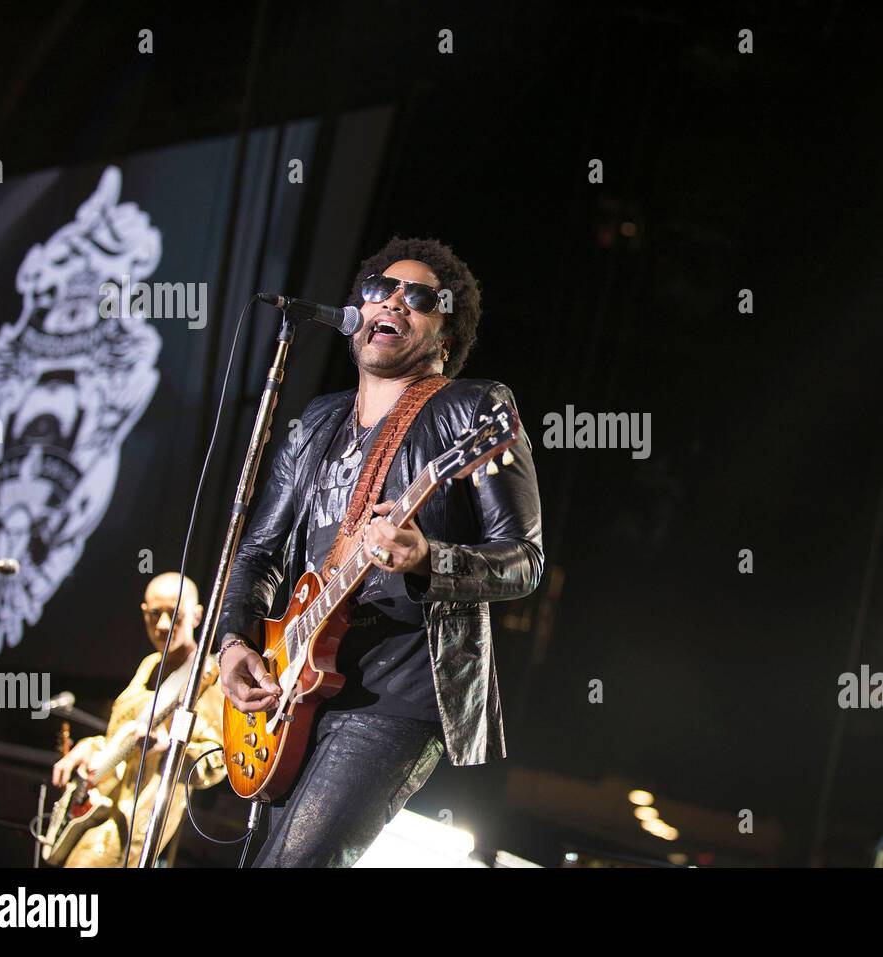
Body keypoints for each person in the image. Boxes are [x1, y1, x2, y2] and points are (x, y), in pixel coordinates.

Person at [216, 236, 543, 867]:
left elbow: (523, 560)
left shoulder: (472, 410)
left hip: (399, 690)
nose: (392, 300)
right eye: (378, 290)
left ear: (445, 336)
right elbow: (256, 553)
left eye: (419, 298)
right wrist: (233, 644)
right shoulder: (316, 420)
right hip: (296, 681)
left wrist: (427, 559)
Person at [50, 572, 226, 867]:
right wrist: (89, 747)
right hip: (102, 802)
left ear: (197, 617)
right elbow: (121, 735)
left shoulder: (207, 676)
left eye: (175, 615)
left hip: (140, 817)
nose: (163, 625)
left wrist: (168, 746)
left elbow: (217, 759)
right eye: (155, 614)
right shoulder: (149, 665)